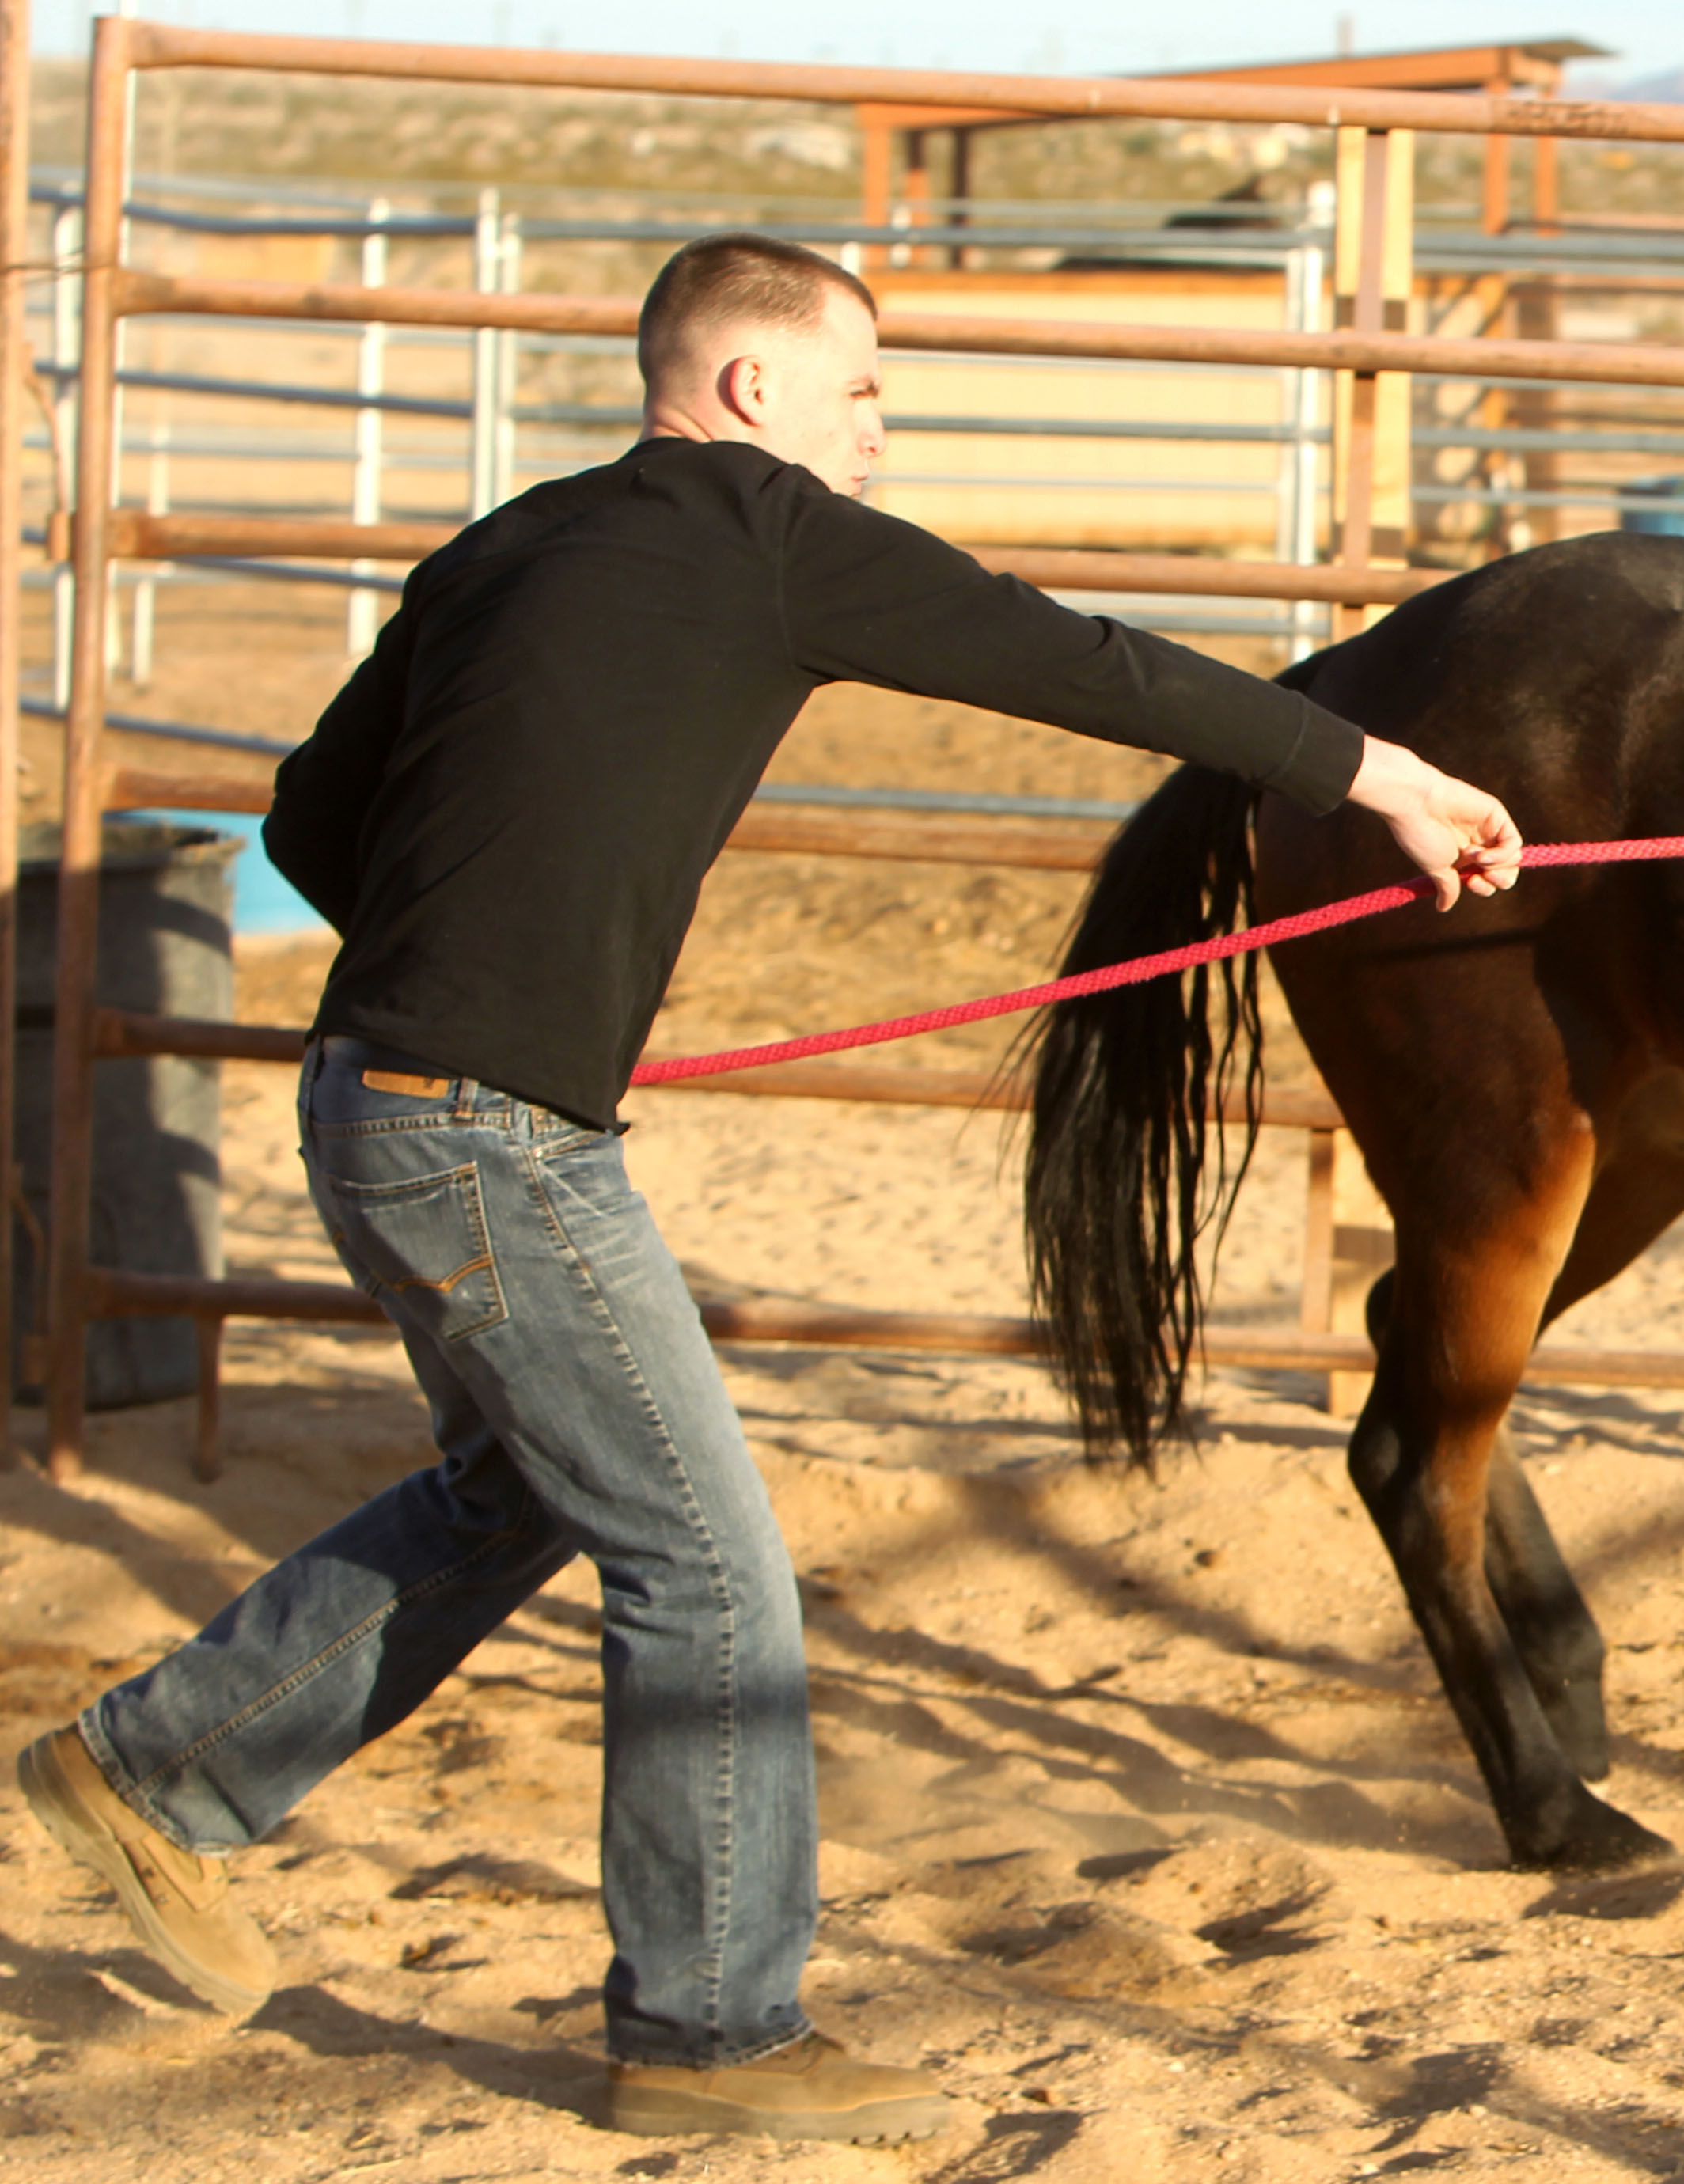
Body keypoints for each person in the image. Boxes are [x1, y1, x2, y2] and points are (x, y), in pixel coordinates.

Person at [13, 232, 1518, 2143]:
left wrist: (479, 974)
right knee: (707, 1569)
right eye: (861, 389)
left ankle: (160, 1768)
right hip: (481, 1130)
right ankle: (709, 2039)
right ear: (751, 388)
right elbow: (1085, 664)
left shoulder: (507, 540)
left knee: (516, 1494)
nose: (877, 432)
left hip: (372, 1103)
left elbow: (315, 817)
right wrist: (1380, 774)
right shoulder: (774, 532)